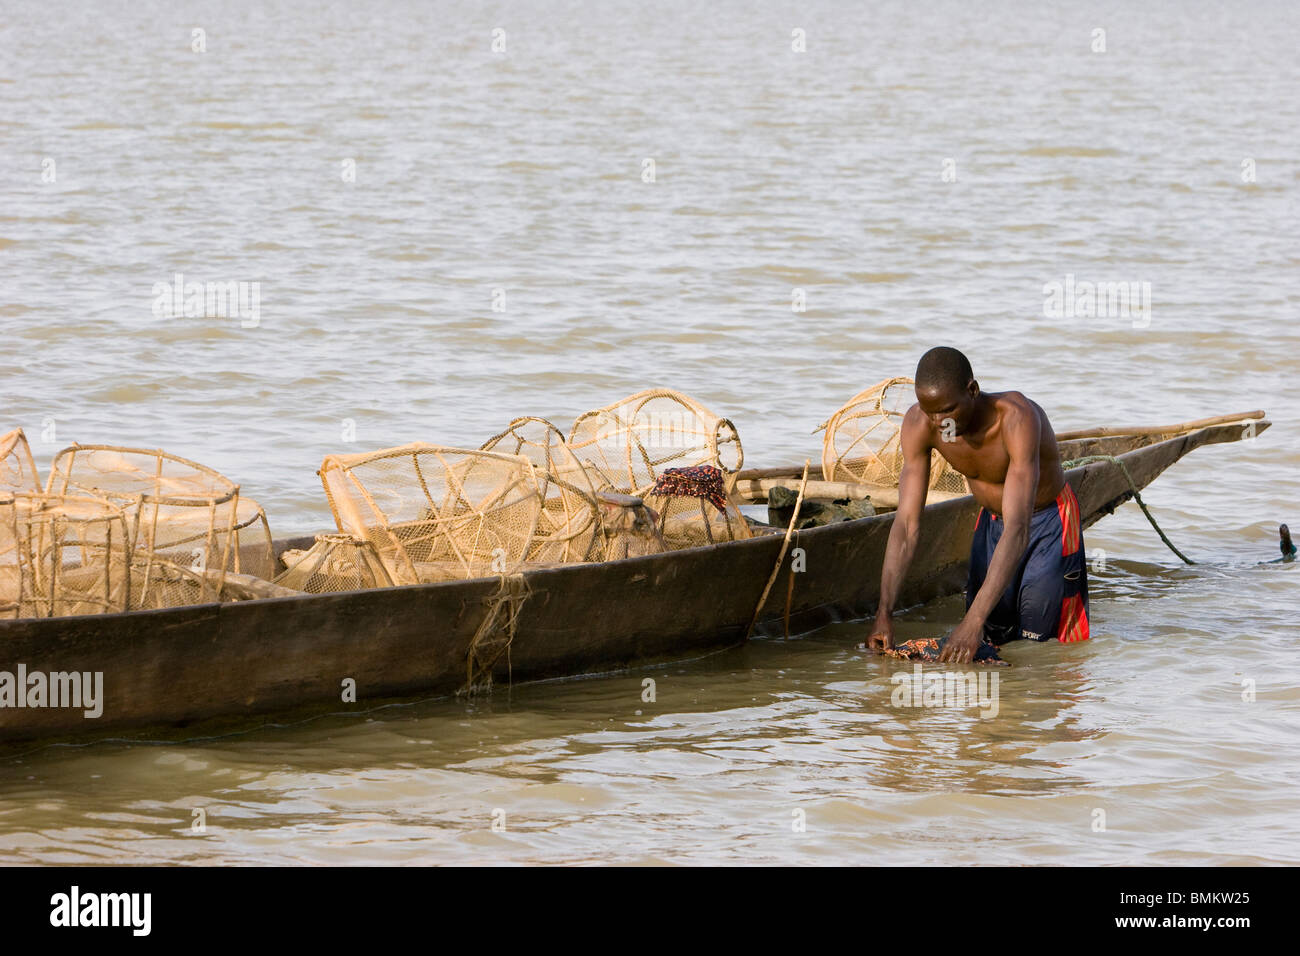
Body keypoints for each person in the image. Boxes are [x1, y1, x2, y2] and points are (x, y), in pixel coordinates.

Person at [867, 347, 1090, 664]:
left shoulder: (1016, 418)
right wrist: (884, 613)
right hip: (992, 523)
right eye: (931, 412)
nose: (939, 422)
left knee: (1042, 644)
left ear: (972, 390)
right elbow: (905, 526)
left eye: (947, 410)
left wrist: (970, 621)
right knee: (991, 639)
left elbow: (1019, 526)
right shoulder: (919, 424)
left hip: (1047, 522)